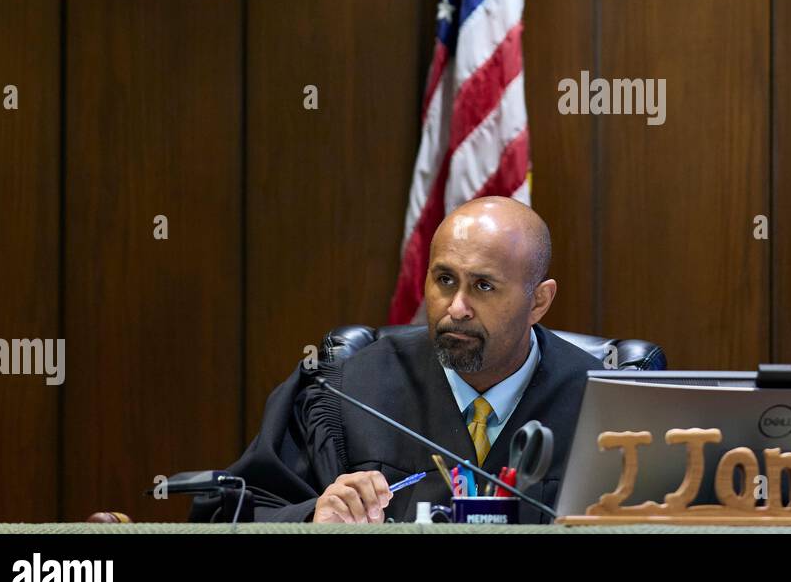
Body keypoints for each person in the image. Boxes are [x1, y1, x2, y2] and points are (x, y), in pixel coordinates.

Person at [189, 197, 602, 524]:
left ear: (539, 301)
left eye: (483, 286)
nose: (456, 308)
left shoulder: (603, 407)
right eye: (444, 280)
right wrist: (311, 517)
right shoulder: (345, 392)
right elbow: (235, 512)